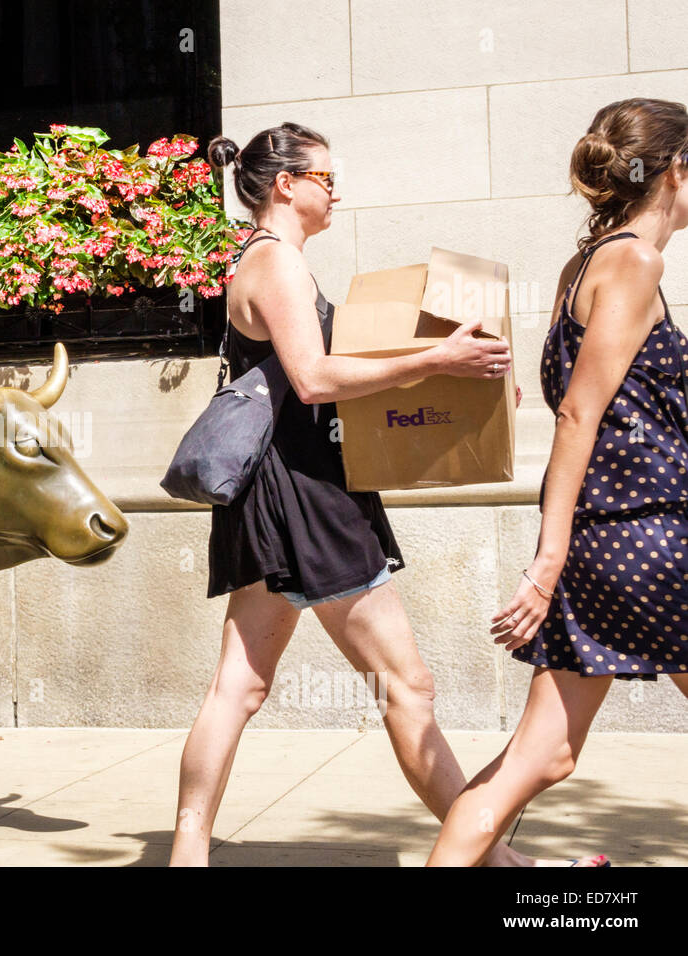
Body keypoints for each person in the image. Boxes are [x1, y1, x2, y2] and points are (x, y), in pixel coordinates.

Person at [169, 122, 594, 868]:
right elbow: (315, 381)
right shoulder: (278, 266)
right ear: (285, 185)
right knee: (407, 684)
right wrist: (441, 358)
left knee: (237, 688)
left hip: (274, 493)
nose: (337, 191)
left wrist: (464, 388)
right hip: (307, 496)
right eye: (326, 178)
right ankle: (490, 860)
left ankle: (187, 856)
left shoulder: (263, 262)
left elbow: (343, 380)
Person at [428, 98, 688, 867]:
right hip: (651, 537)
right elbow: (578, 413)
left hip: (606, 545)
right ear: (677, 168)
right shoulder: (638, 261)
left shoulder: (589, 262)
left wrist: (559, 557)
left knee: (542, 758)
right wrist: (543, 565)